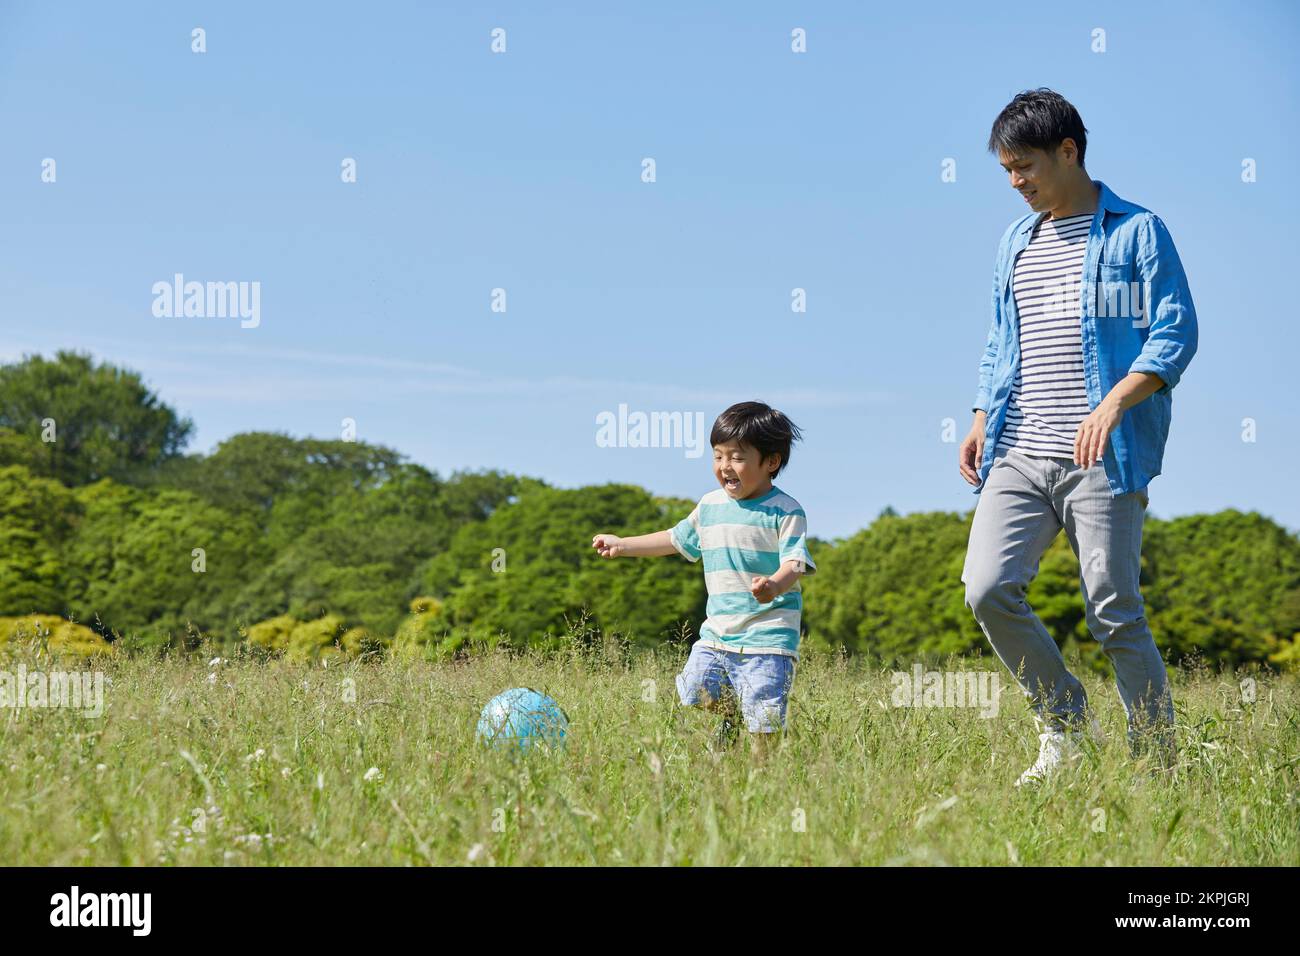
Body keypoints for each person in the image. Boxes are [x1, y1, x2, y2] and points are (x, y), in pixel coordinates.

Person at [957, 89, 1198, 785]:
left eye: (1025, 165)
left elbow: (1174, 330)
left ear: (1069, 151)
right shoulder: (1017, 242)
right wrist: (979, 416)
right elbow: (1002, 340)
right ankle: (1065, 723)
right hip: (1019, 449)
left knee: (1114, 610)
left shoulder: (1136, 232)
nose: (1015, 182)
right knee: (987, 588)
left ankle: (1158, 766)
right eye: (1005, 170)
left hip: (1103, 456)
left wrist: (1115, 402)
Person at [592, 401, 816, 755]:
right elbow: (673, 538)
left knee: (765, 722)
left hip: (768, 637)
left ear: (771, 462)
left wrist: (774, 584)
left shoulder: (786, 510)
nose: (725, 466)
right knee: (695, 690)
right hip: (718, 633)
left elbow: (796, 563)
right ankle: (735, 719)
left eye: (737, 457)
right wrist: (624, 545)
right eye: (718, 456)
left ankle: (764, 783)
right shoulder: (710, 506)